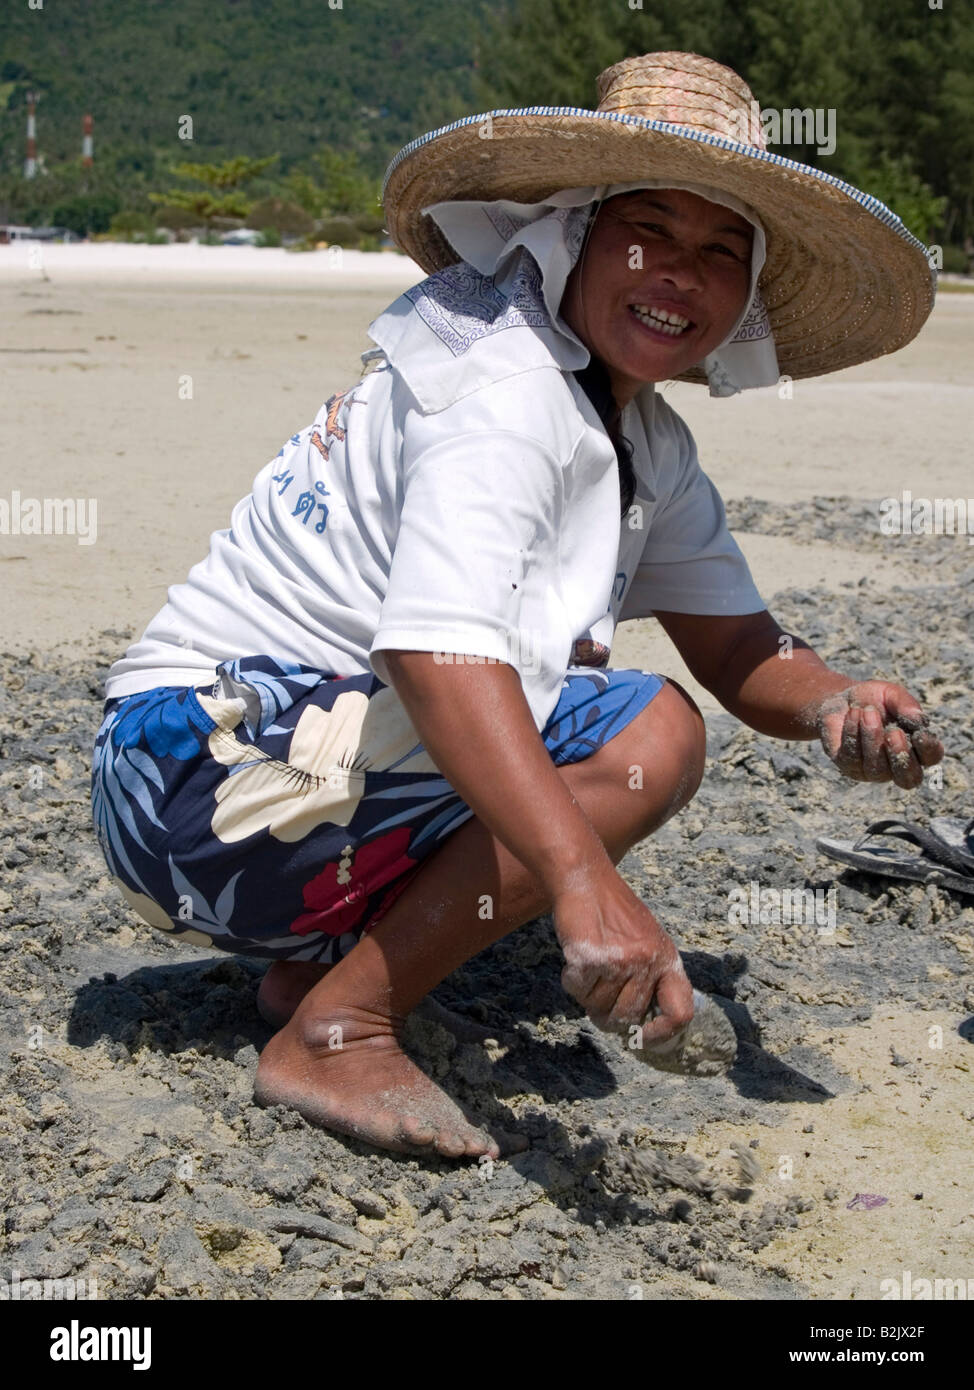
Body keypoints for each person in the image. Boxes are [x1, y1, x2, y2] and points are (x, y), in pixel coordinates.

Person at [91, 52, 943, 1159]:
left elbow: (735, 643)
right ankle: (339, 1027)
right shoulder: (504, 391)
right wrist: (585, 884)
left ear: (743, 299)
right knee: (646, 730)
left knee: (606, 708)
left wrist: (832, 699)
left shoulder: (643, 443)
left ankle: (314, 965)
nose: (677, 272)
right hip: (190, 775)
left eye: (720, 250)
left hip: (229, 798)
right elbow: (434, 649)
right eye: (648, 230)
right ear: (575, 234)